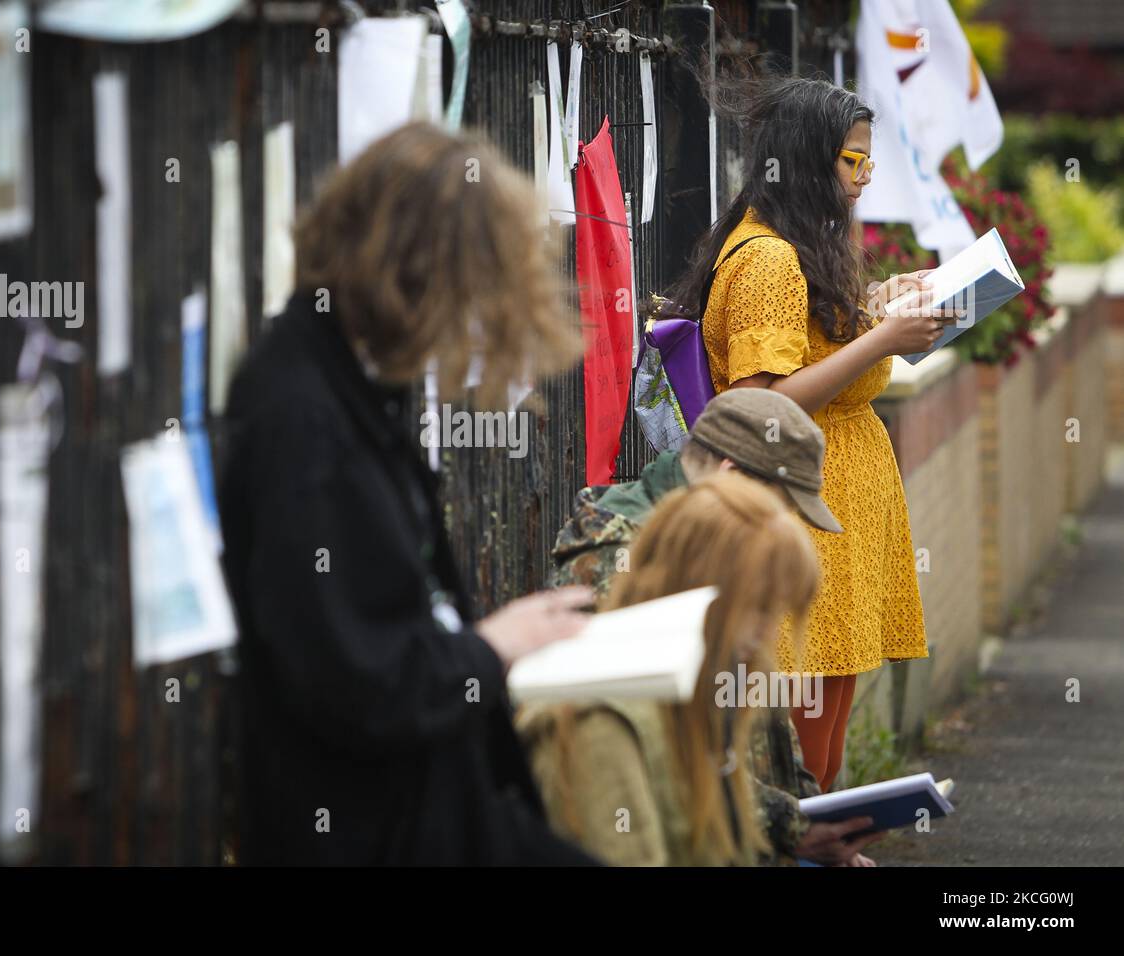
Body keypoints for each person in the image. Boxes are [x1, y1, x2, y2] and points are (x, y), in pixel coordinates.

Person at [218, 122, 597, 865]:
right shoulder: (304, 416)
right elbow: (348, 676)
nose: (475, 326)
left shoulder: (345, 379)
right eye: (472, 294)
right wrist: (491, 650)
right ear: (417, 277)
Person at [669, 73, 949, 793]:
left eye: (868, 161)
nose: (863, 177)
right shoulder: (767, 260)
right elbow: (760, 408)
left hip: (838, 510)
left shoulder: (799, 244)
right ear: (804, 158)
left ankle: (819, 837)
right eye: (851, 160)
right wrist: (881, 339)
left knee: (826, 719)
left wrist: (873, 309)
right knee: (800, 730)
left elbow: (812, 345)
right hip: (800, 512)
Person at [548, 388, 877, 866]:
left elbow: (757, 717)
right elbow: (654, 746)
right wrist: (788, 826)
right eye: (778, 506)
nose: (782, 524)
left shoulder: (721, 543)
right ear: (732, 477)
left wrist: (811, 817)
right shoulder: (621, 564)